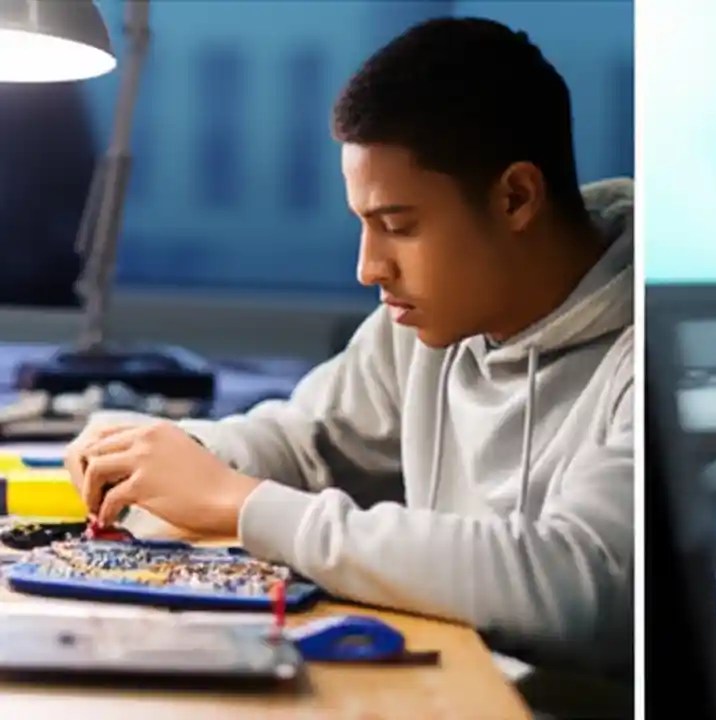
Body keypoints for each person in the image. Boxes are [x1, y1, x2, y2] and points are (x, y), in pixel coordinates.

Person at [63, 17, 634, 673]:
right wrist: (175, 454)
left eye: (399, 226)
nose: (368, 268)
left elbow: (575, 580)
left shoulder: (640, 357)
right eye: (365, 224)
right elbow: (308, 441)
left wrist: (241, 504)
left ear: (515, 197)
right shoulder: (427, 325)